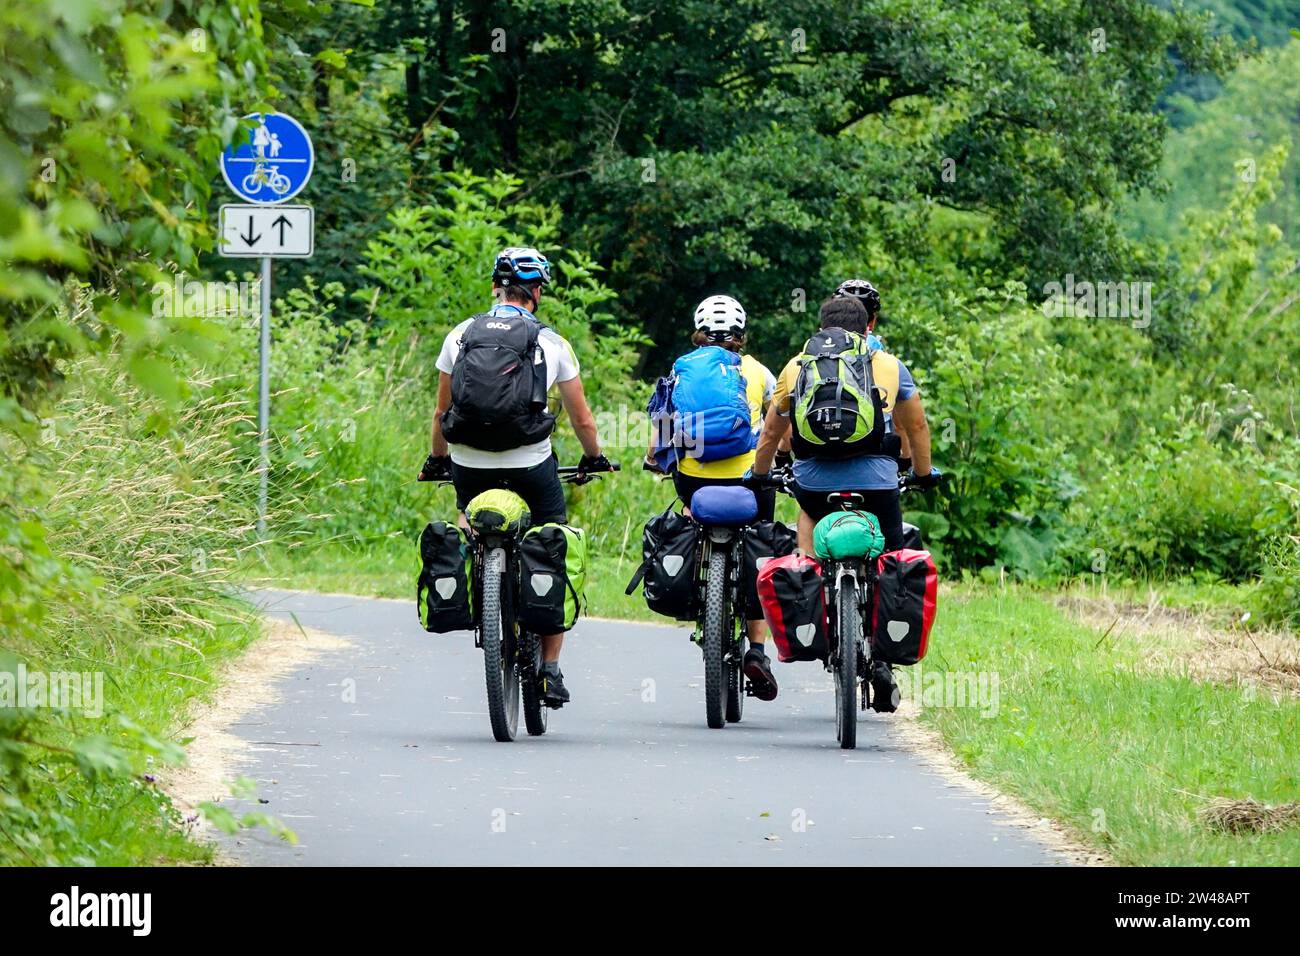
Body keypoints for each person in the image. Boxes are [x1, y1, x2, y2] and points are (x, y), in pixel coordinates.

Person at [419, 246, 610, 706]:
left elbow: (443, 411)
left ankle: (466, 584)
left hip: (468, 459)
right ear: (537, 292)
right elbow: (582, 419)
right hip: (529, 461)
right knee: (554, 536)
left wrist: (438, 459)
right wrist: (594, 457)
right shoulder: (551, 341)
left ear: (494, 288)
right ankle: (549, 669)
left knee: (468, 515)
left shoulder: (460, 335)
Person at [748, 294, 940, 709]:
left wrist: (760, 475)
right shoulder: (888, 364)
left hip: (814, 484)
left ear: (821, 328)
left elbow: (770, 432)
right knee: (892, 558)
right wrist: (922, 474)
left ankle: (810, 590)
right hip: (877, 483)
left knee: (808, 522)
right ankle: (884, 658)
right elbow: (917, 424)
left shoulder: (797, 365)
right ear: (866, 328)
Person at [643, 294, 781, 701]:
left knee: (691, 514)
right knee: (761, 541)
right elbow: (776, 426)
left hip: (695, 480)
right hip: (750, 481)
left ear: (698, 331)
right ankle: (757, 650)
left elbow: (663, 422)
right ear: (741, 333)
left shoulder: (680, 369)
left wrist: (654, 458)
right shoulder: (758, 372)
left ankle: (702, 582)